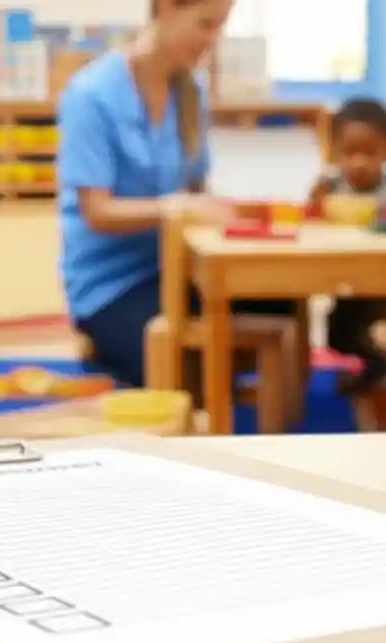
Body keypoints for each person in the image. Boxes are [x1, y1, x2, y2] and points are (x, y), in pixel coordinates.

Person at [57, 0, 294, 389]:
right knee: (189, 376)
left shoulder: (190, 90)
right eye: (205, 24)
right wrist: (175, 208)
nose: (212, 40)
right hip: (112, 287)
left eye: (220, 28)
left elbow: (197, 189)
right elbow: (97, 212)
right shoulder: (91, 94)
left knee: (283, 299)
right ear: (165, 8)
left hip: (175, 268)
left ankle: (278, 421)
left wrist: (223, 215)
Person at [306, 98, 386, 394]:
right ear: (334, 152)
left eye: (371, 152)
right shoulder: (331, 187)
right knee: (335, 334)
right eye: (350, 152)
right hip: (344, 283)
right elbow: (309, 225)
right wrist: (315, 203)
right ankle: (377, 362)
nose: (359, 162)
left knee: (383, 328)